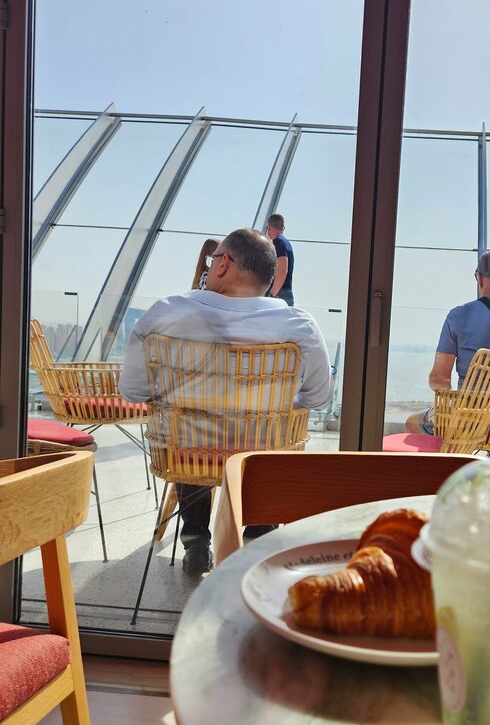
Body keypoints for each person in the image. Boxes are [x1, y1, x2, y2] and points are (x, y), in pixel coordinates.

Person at [119, 228, 332, 574]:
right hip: (260, 458)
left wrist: (183, 398)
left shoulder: (164, 314)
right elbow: (319, 398)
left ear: (224, 264)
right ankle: (259, 543)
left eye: (213, 259)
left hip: (189, 452)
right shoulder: (299, 325)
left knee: (189, 429)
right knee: (270, 450)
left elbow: (133, 392)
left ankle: (196, 542)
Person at [405, 249, 490, 435]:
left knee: (411, 423)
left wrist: (450, 408)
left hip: (469, 422)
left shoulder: (459, 316)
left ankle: (454, 459)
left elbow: (439, 379)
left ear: (479, 278)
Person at [266, 213, 295, 305]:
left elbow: (282, 270)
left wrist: (272, 294)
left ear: (269, 228)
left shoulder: (278, 243)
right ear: (283, 228)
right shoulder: (287, 243)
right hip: (285, 293)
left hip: (279, 295)